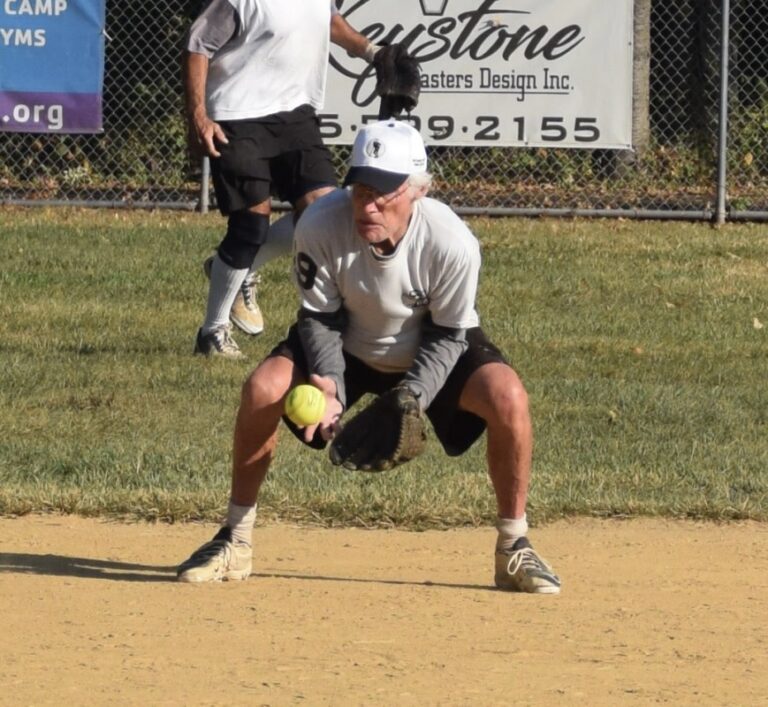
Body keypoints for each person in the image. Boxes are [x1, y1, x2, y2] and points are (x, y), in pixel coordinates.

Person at [177, 120, 561, 594]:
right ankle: (234, 540)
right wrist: (332, 384)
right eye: (360, 188)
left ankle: (513, 548)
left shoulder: (452, 242)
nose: (368, 203)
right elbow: (318, 318)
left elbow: (448, 334)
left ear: (417, 190)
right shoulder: (320, 223)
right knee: (262, 388)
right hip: (345, 339)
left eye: (384, 192)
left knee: (509, 398)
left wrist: (412, 397)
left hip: (431, 343)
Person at [184, 0, 384, 358]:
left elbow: (329, 21)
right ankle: (212, 333)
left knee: (327, 213)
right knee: (250, 226)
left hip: (296, 114)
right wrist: (199, 117)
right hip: (237, 113)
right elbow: (198, 46)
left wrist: (373, 53)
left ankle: (234, 268)